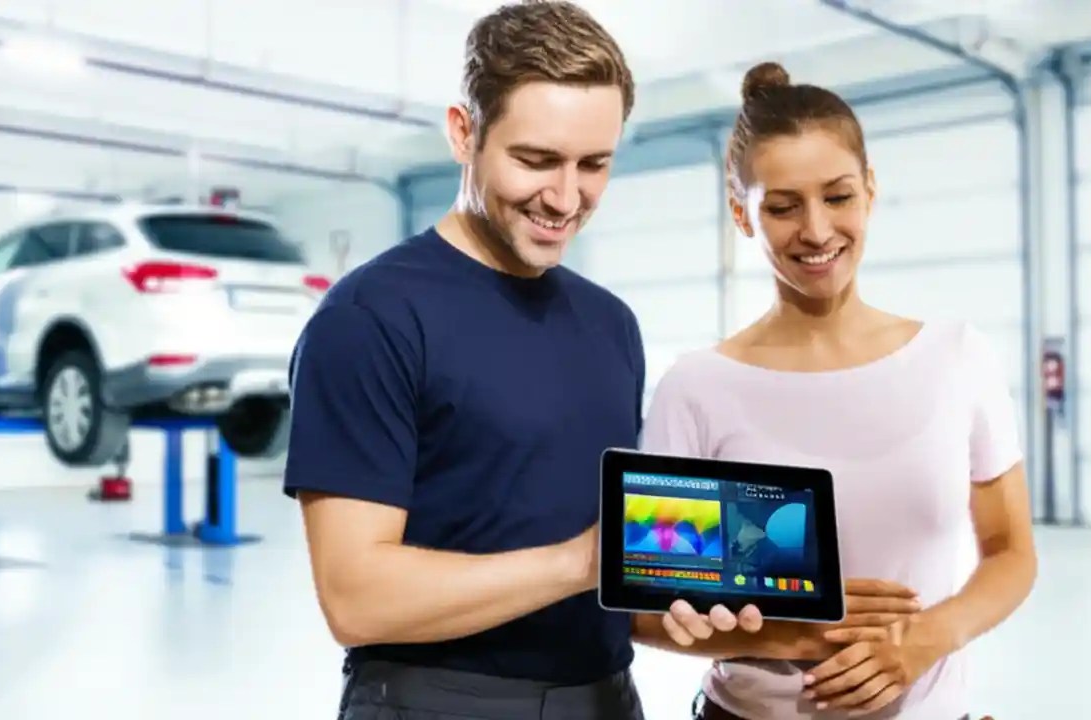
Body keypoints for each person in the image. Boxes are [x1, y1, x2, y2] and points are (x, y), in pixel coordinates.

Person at [281, 2, 763, 718]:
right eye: (535, 160)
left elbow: (607, 581)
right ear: (463, 132)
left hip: (607, 699)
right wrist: (582, 561)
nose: (565, 198)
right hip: (437, 704)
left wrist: (700, 603)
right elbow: (356, 597)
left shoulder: (610, 324)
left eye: (593, 164)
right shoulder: (370, 318)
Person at [639, 61, 1039, 719]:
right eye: (783, 205)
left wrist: (924, 640)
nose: (818, 231)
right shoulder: (697, 389)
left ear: (871, 191)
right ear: (743, 214)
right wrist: (800, 631)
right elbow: (650, 610)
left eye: (838, 195)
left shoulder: (956, 357)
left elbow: (1011, 553)